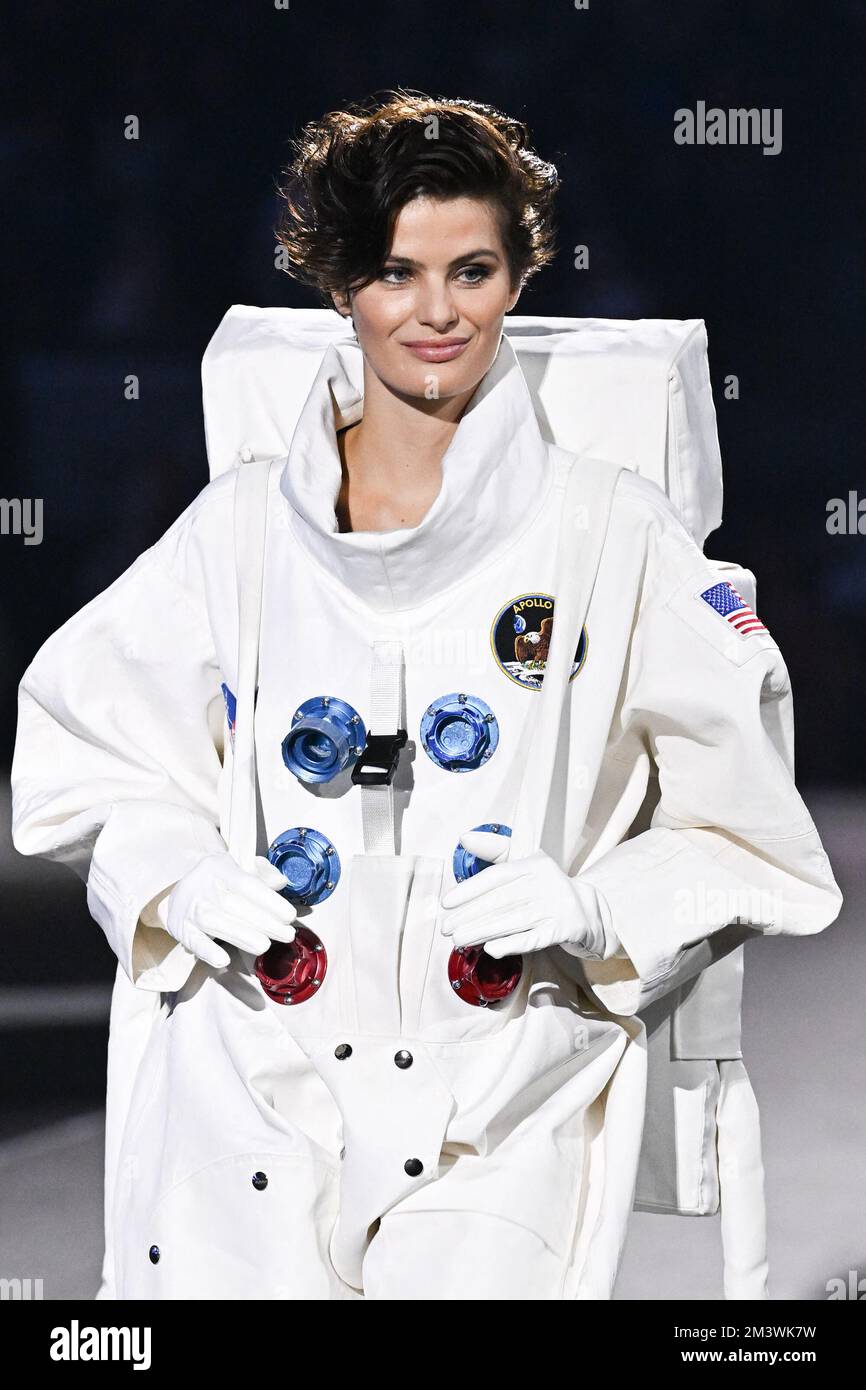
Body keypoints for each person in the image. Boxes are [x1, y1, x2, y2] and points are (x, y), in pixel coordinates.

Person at [10, 91, 842, 1301]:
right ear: (342, 286)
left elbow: (746, 830)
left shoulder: (610, 533)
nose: (438, 312)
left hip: (497, 1093)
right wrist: (173, 871)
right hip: (256, 1067)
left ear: (518, 278)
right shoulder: (241, 530)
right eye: (398, 273)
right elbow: (88, 743)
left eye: (473, 269)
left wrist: (593, 903)